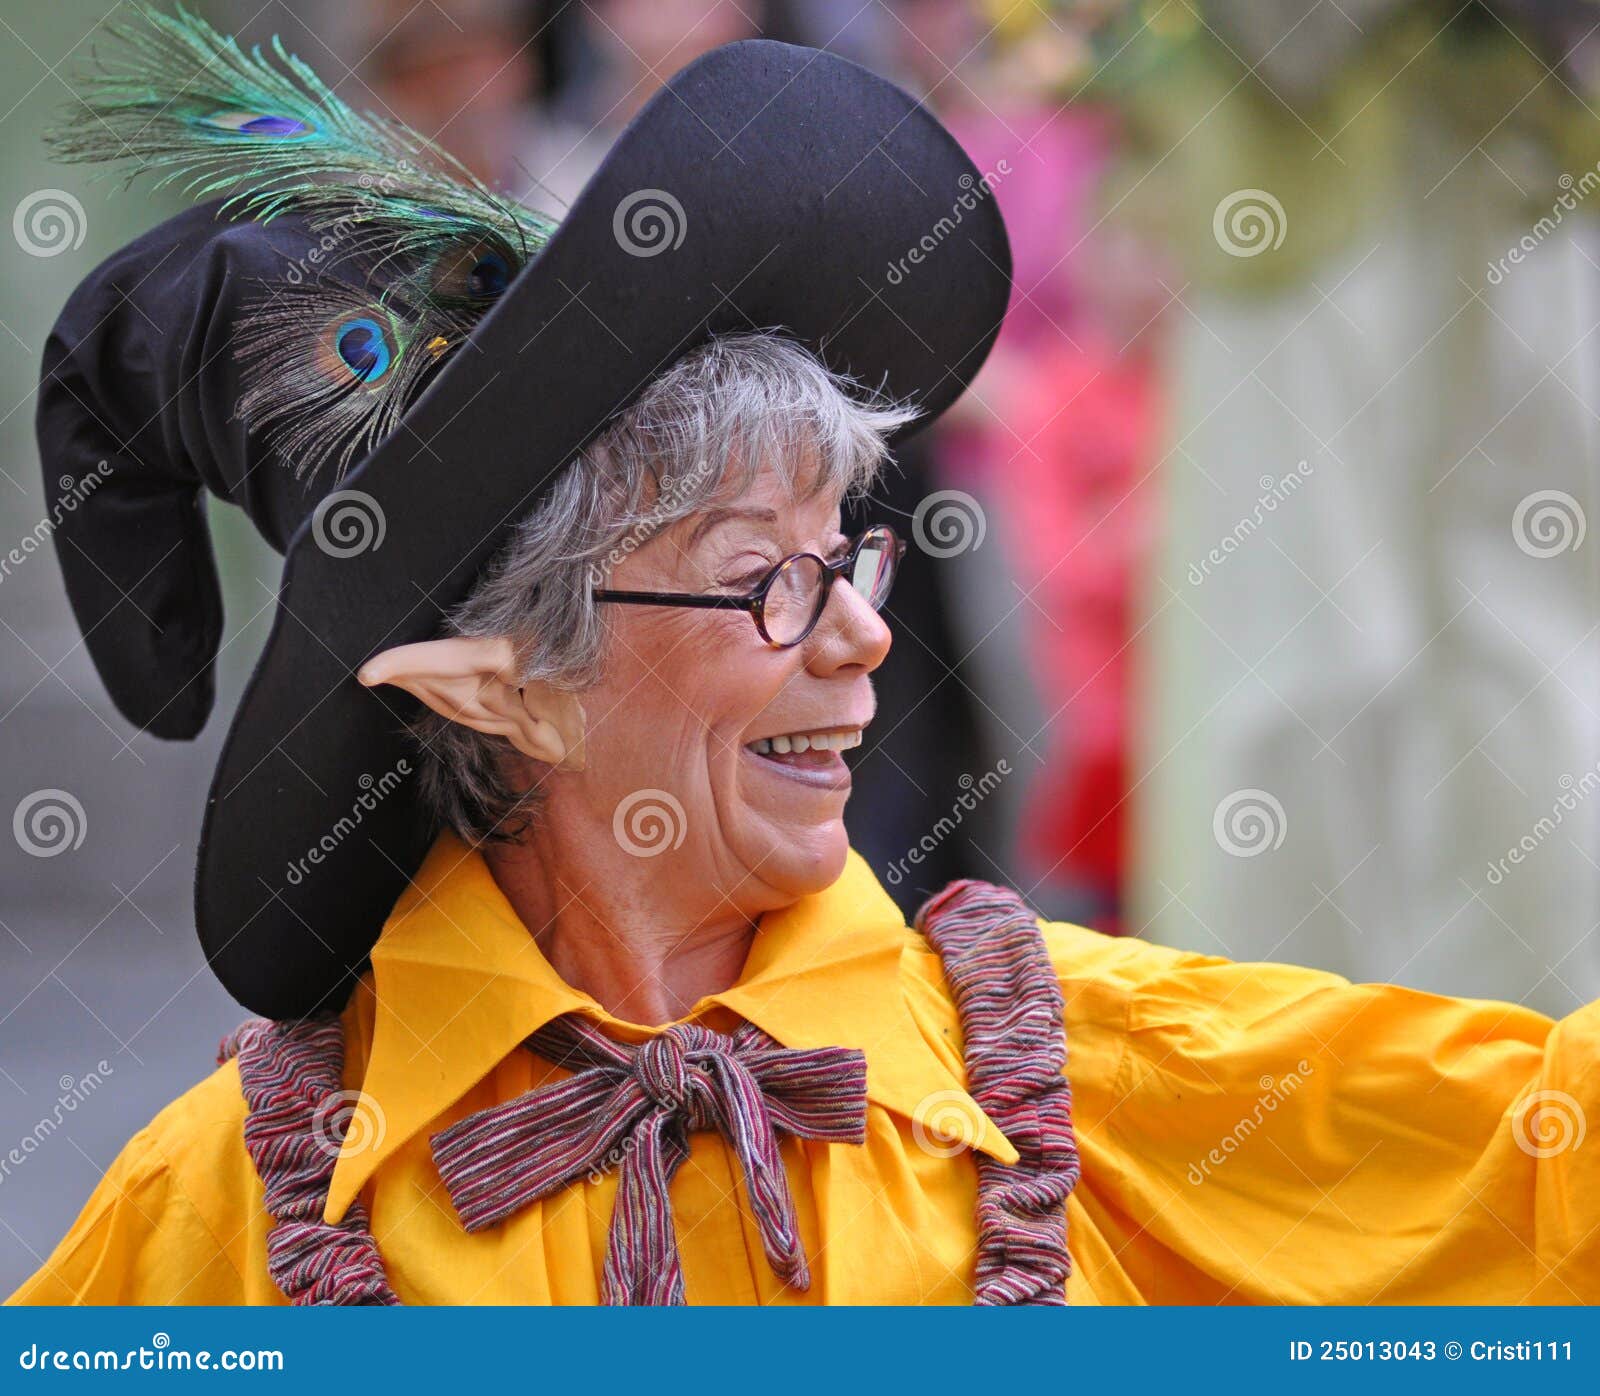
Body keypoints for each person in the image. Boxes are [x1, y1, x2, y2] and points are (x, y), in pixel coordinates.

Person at [7, 9, 1597, 1306]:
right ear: (495, 682)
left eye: (852, 547)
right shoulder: (221, 1215)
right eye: (765, 581)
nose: (863, 633)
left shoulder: (1104, 1084)